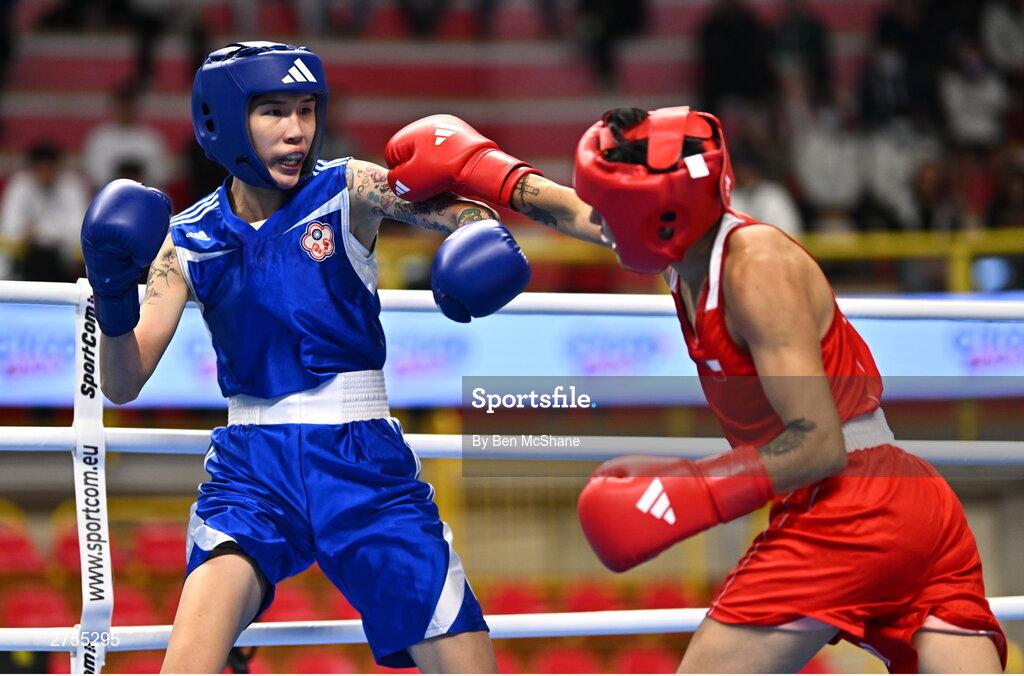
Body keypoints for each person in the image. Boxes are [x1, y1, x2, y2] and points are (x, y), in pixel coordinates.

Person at [383, 108, 1008, 673]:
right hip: (908, 506)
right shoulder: (688, 246)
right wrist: (483, 170)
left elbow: (821, 445)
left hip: (850, 504)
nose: (599, 218)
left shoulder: (756, 270)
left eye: (614, 206)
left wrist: (692, 490)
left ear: (660, 218)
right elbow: (579, 212)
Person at [79, 41, 534, 673]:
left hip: (362, 463)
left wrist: (480, 232)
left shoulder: (347, 188)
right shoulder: (185, 240)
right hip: (250, 474)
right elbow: (122, 383)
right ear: (225, 121)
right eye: (274, 113)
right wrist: (109, 295)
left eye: (306, 110)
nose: (297, 132)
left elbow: (458, 213)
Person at [0, 141, 91, 281]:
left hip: (64, 257)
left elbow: (81, 225)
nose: (45, 173)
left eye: (50, 168)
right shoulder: (19, 184)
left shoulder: (72, 185)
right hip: (26, 255)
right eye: (40, 169)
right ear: (32, 168)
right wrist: (28, 232)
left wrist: (46, 231)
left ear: (58, 167)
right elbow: (9, 223)